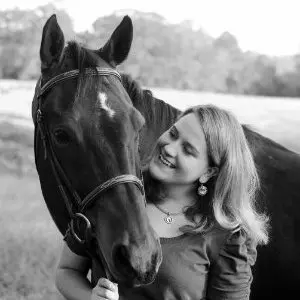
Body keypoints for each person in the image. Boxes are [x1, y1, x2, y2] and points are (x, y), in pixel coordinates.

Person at [55, 104, 269, 300]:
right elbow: (67, 271)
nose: (169, 148)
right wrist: (89, 297)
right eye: (173, 134)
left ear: (209, 172)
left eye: (188, 150)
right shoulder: (115, 194)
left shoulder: (226, 235)